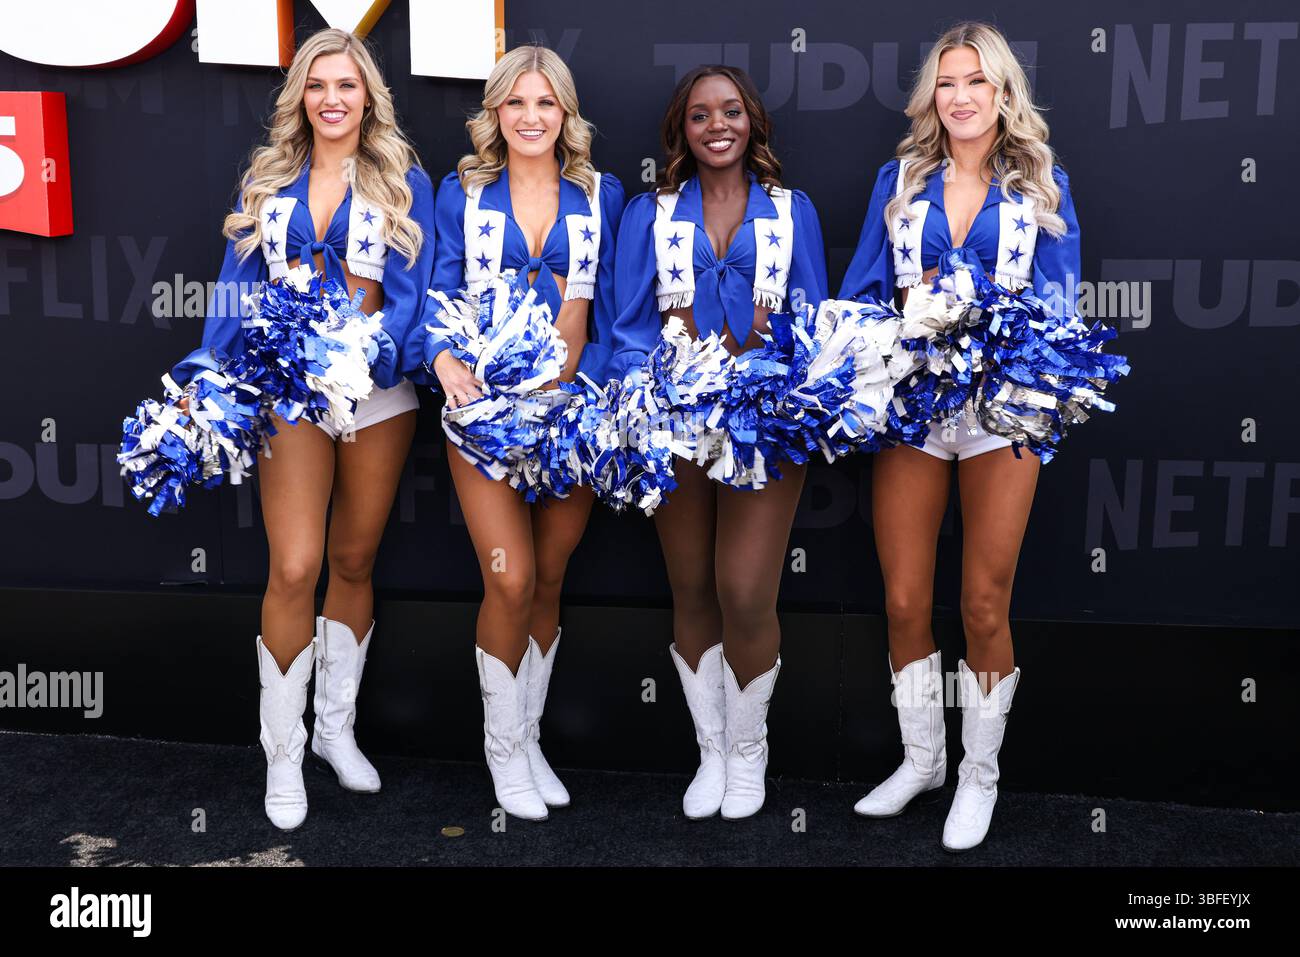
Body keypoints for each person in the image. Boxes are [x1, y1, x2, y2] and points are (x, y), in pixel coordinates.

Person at [170, 28, 436, 830]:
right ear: (300, 97)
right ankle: (281, 756)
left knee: (353, 560)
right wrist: (204, 375)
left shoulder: (403, 181)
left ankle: (334, 732)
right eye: (317, 86)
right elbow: (233, 288)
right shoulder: (269, 178)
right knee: (295, 564)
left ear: (368, 98)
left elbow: (413, 297)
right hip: (287, 391)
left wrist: (367, 353)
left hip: (376, 392)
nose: (332, 99)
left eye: (347, 86)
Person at [838, 21, 1081, 851]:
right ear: (931, 97)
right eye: (948, 82)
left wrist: (992, 329)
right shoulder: (899, 179)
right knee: (905, 596)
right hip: (911, 412)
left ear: (1004, 92)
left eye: (978, 81)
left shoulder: (1042, 185)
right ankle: (923, 760)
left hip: (999, 414)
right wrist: (893, 336)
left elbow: (1061, 308)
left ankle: (980, 773)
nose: (963, 96)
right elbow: (863, 290)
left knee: (983, 599)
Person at [608, 65, 828, 820]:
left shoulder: (794, 212)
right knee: (693, 586)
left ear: (753, 121)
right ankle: (711, 750)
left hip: (765, 422)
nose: (717, 125)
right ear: (683, 130)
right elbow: (628, 321)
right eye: (700, 115)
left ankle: (748, 750)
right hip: (674, 419)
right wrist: (643, 389)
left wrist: (793, 389)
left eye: (730, 111)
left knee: (744, 587)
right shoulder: (650, 214)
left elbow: (813, 324)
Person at [419, 44, 624, 821]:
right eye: (516, 103)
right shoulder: (461, 193)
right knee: (507, 576)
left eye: (546, 103)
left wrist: (588, 382)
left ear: (565, 113)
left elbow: (616, 308)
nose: (531, 117)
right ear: (495, 113)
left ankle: (529, 737)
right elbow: (437, 290)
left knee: (546, 577)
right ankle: (502, 752)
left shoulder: (602, 195)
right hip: (483, 414)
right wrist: (441, 358)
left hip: (572, 415)